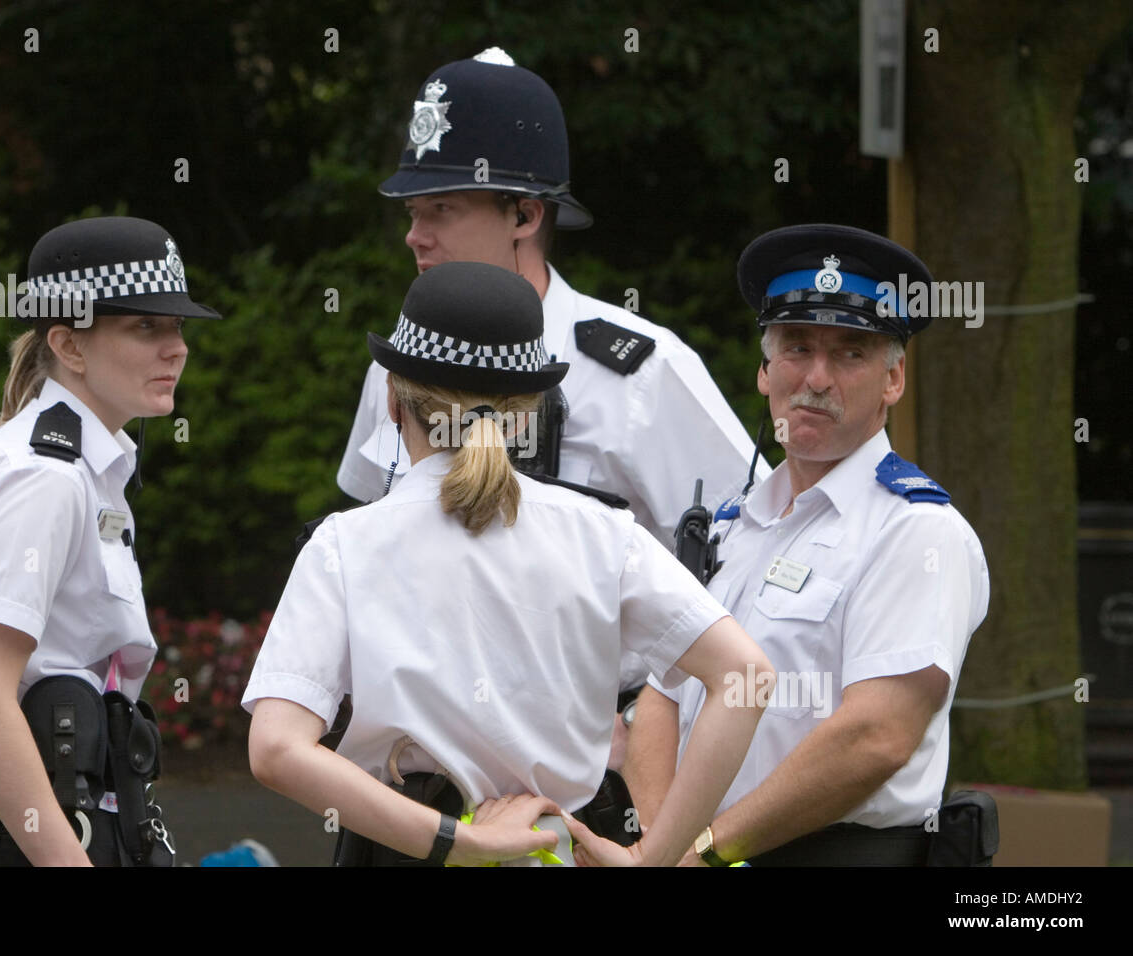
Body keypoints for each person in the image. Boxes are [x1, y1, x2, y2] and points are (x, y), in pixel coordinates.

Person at [244, 261, 774, 866]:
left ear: (392, 401)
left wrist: (459, 842)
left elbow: (277, 750)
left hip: (403, 850)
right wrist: (658, 859)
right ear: (530, 411)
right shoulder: (604, 535)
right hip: (557, 847)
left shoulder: (344, 545)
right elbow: (745, 675)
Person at [340, 45, 769, 701]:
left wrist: (649, 718)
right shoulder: (397, 364)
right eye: (412, 212)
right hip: (419, 751)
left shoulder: (640, 371)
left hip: (595, 758)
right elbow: (367, 545)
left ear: (525, 214)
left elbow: (750, 550)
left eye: (441, 210)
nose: (414, 235)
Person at [580, 224, 991, 867]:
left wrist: (704, 853)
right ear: (765, 371)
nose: (817, 378)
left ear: (893, 379)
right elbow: (660, 696)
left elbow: (876, 736)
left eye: (851, 353)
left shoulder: (915, 531)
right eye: (797, 348)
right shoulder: (729, 524)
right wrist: (665, 851)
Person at [0, 216, 220, 866]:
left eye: (178, 327)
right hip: (32, 835)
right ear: (69, 346)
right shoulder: (44, 477)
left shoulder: (81, 467)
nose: (177, 348)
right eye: (146, 327)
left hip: (67, 817)